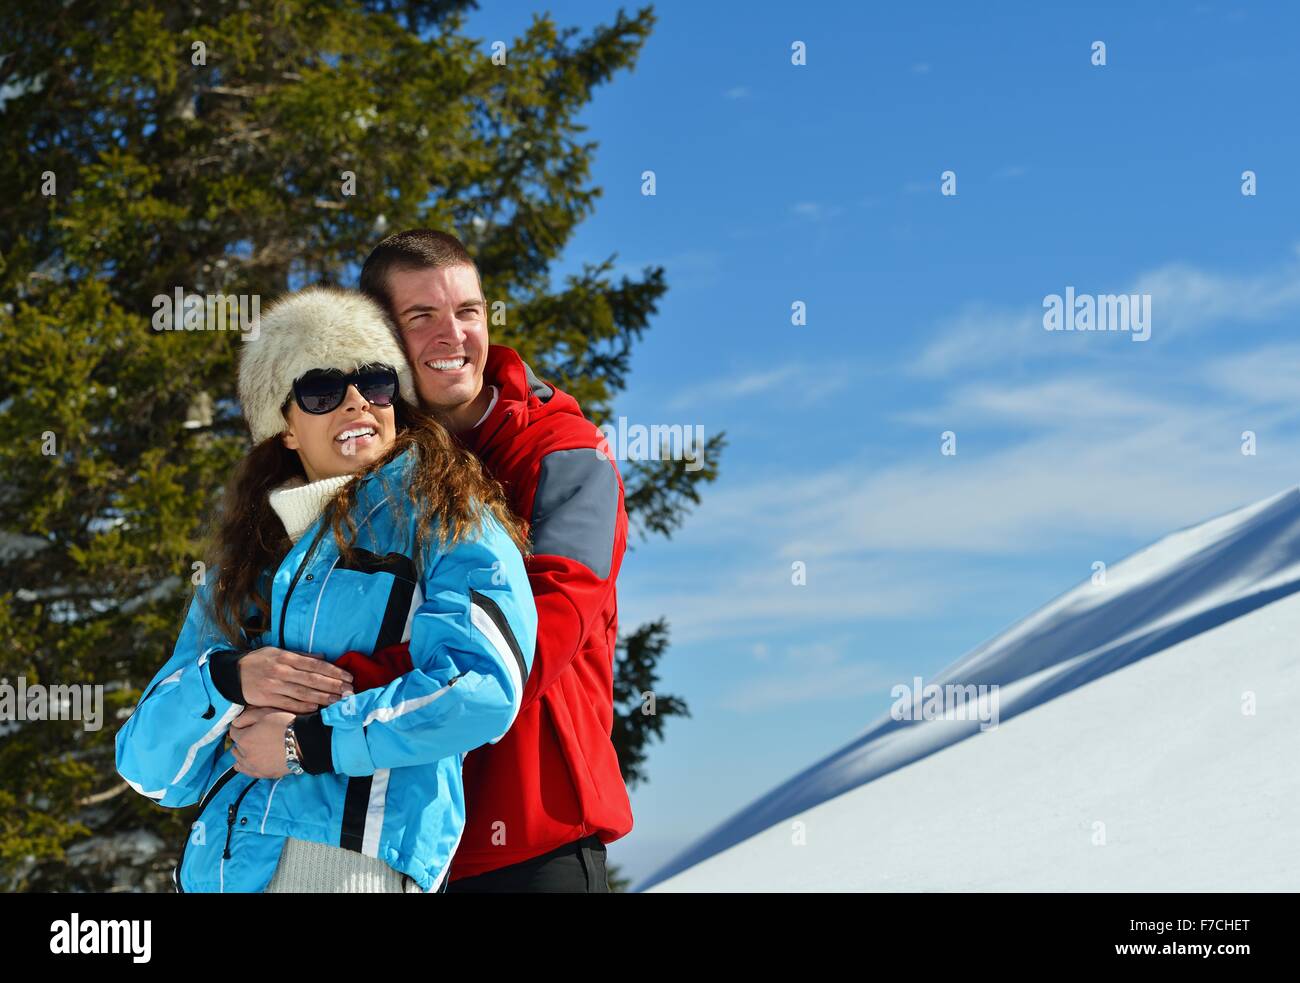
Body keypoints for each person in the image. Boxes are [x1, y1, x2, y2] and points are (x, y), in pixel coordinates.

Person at [115, 286, 537, 892]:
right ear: (285, 427)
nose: (357, 401)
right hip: (220, 873)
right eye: (321, 391)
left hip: (357, 869)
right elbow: (149, 769)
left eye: (376, 383)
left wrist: (303, 744)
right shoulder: (247, 561)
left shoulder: (448, 517)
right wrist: (230, 680)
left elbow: (482, 688)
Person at [359, 229, 633, 892]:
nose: (452, 335)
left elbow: (523, 650)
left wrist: (328, 695)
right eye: (422, 316)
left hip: (532, 844)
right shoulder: (368, 464)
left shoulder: (566, 456)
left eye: (468, 311)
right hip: (399, 849)